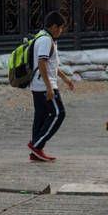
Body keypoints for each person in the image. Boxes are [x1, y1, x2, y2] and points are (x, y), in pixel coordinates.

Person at [27, 10, 75, 162]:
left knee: (40, 116)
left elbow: (51, 65)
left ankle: (36, 152)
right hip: (44, 85)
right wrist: (49, 88)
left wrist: (66, 79)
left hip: (38, 84)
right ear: (54, 26)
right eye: (61, 28)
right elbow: (41, 63)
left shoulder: (43, 38)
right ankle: (37, 144)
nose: (61, 31)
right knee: (58, 113)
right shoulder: (46, 40)